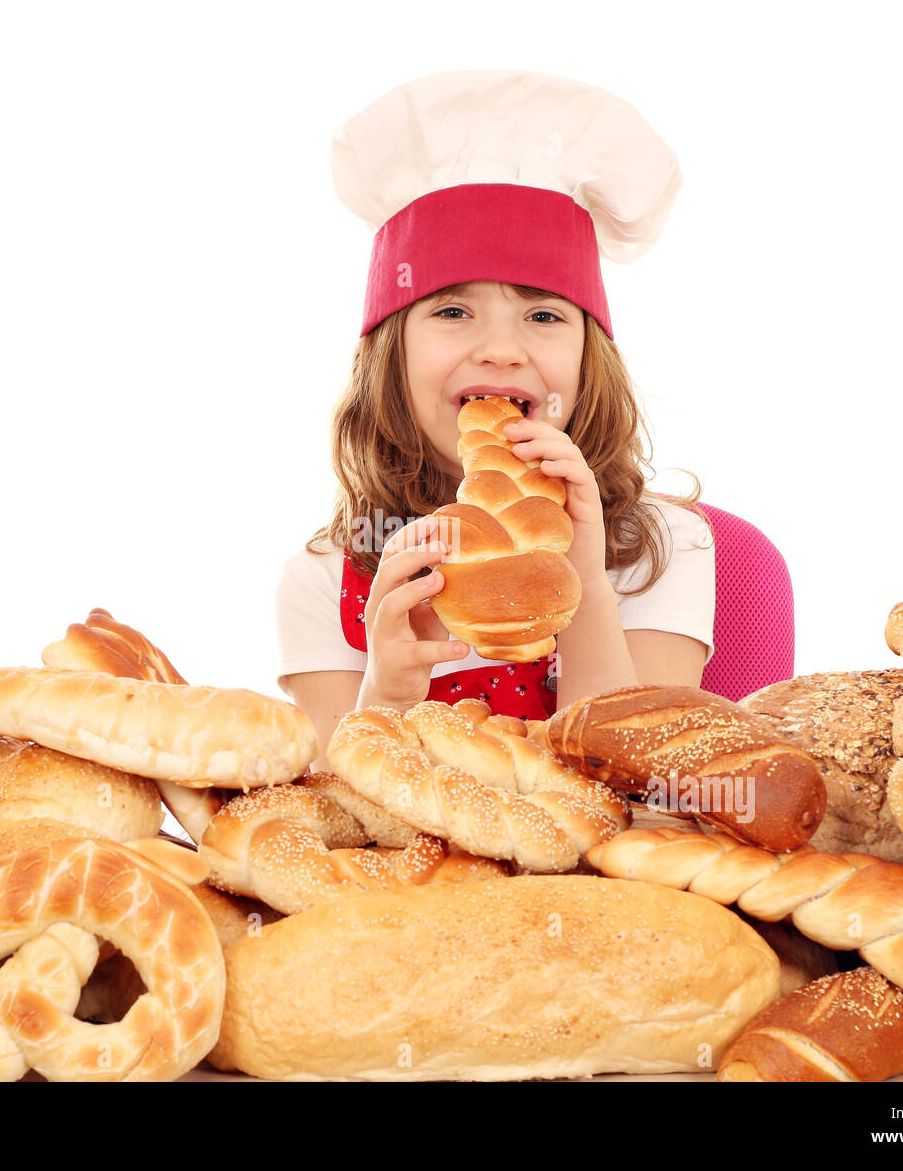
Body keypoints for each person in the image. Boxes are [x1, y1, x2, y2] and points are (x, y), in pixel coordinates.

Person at [276, 71, 715, 768]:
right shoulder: (327, 576)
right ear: (390, 353)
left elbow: (644, 790)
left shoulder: (665, 548)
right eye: (452, 311)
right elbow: (346, 834)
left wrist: (587, 580)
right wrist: (386, 693)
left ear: (586, 358)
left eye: (543, 315)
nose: (502, 350)